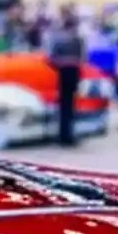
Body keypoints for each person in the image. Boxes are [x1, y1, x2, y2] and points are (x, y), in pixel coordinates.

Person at [45, 8, 86, 147]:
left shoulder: (57, 39)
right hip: (74, 72)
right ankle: (69, 134)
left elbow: (50, 58)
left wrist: (58, 65)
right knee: (71, 105)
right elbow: (82, 58)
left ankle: (62, 134)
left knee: (62, 105)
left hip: (62, 72)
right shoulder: (78, 40)